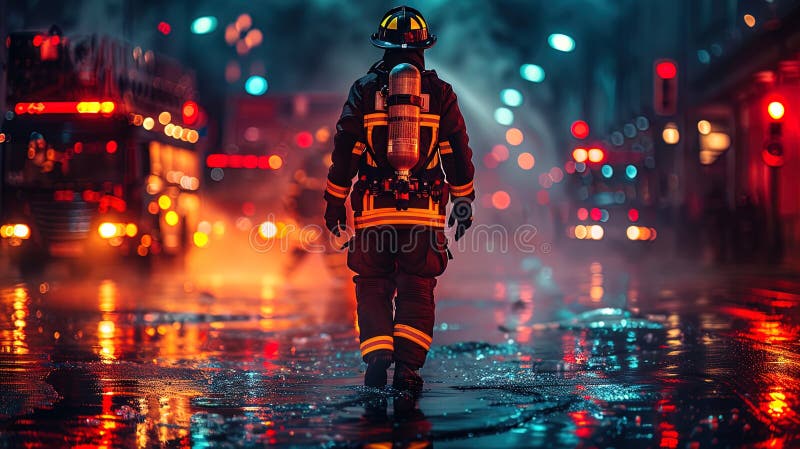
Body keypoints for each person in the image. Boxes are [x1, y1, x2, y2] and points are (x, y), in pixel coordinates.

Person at [323, 5, 475, 392]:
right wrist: (463, 199)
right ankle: (407, 372)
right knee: (416, 287)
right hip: (423, 215)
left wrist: (335, 200)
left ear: (382, 47)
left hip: (374, 213)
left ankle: (377, 358)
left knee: (372, 284)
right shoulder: (439, 93)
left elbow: (346, 150)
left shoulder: (364, 90)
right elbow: (455, 152)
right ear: (424, 48)